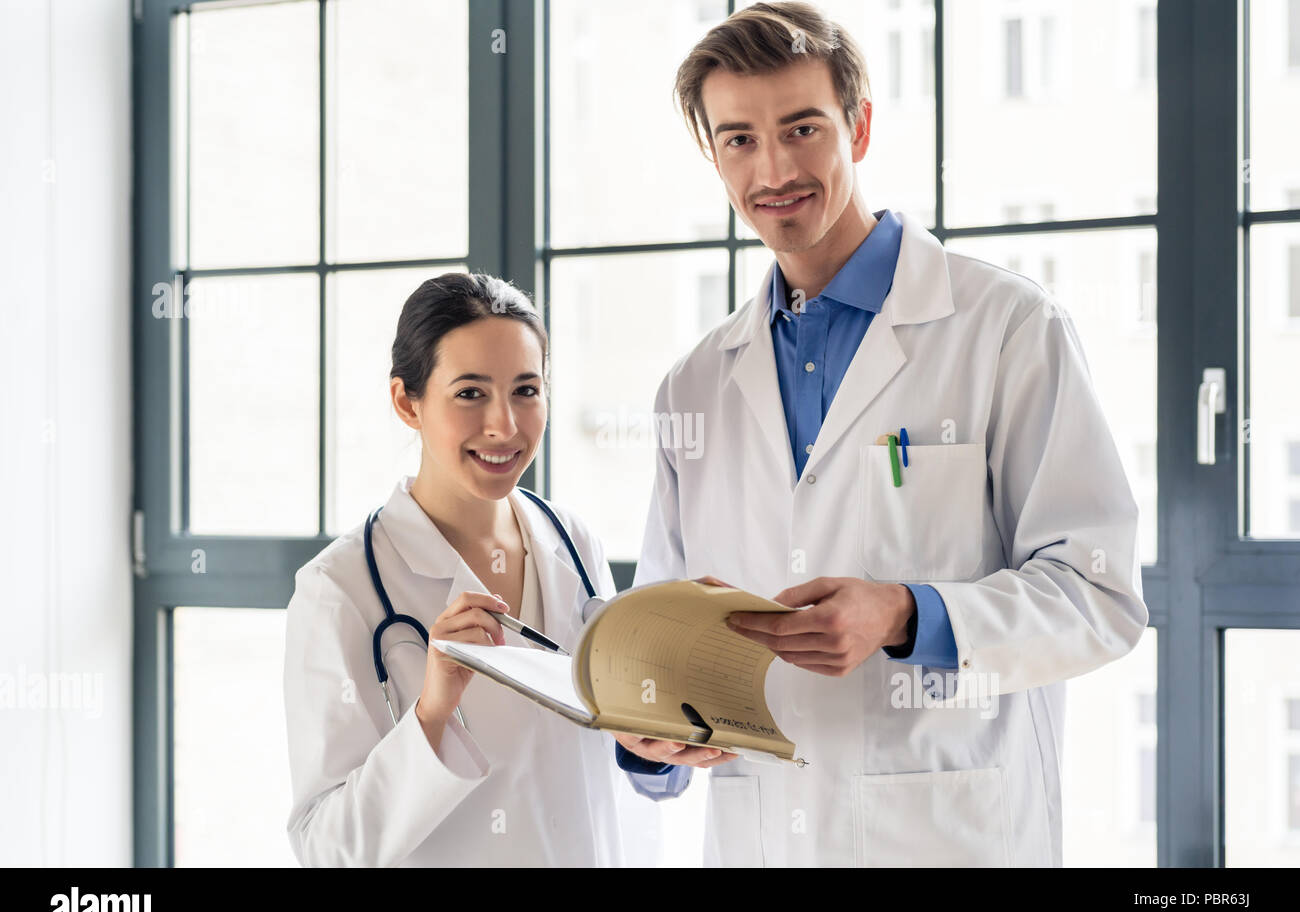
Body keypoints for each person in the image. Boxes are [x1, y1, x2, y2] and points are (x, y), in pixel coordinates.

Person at [614, 1, 1149, 866]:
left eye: (801, 127)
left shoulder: (1006, 328)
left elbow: (1099, 595)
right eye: (739, 140)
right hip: (760, 837)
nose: (775, 167)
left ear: (858, 127)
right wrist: (647, 734)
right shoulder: (698, 383)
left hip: (949, 830)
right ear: (713, 158)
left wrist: (908, 613)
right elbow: (665, 641)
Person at [283, 272, 632, 866]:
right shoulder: (339, 590)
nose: (505, 425)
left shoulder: (573, 543)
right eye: (470, 393)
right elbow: (326, 848)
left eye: (526, 390)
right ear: (406, 402)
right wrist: (432, 713)